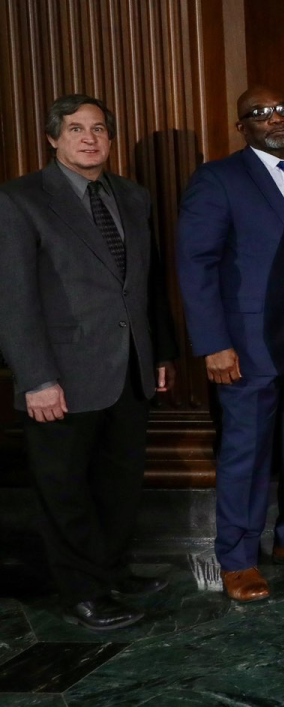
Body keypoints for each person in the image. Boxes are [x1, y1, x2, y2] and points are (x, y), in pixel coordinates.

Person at [0, 95, 178, 631]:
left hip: (129, 366)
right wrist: (35, 378)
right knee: (65, 486)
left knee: (118, 482)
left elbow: (147, 285)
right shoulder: (21, 199)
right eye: (76, 129)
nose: (89, 138)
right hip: (60, 373)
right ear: (53, 139)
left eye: (99, 129)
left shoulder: (132, 196)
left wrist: (161, 352)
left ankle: (112, 571)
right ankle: (83, 590)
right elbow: (13, 299)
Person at [177, 86, 284, 602]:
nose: (275, 120)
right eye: (260, 114)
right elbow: (196, 264)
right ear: (241, 126)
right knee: (245, 453)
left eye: (283, 110)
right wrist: (213, 344)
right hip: (247, 346)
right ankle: (237, 558)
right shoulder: (218, 180)